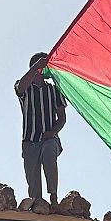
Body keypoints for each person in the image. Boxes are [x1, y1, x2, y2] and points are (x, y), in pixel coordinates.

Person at [15, 52, 67, 203]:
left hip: (50, 138)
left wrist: (52, 132)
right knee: (33, 178)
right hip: (30, 140)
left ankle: (53, 196)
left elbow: (62, 118)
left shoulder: (54, 90)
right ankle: (36, 203)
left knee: (49, 154)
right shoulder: (25, 87)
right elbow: (20, 88)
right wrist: (35, 67)